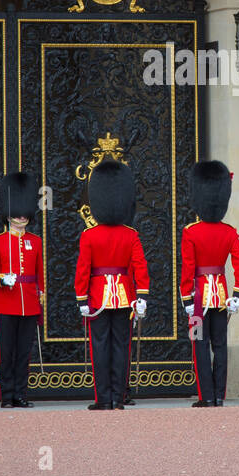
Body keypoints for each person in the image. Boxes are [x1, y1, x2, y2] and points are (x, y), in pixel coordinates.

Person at [75, 160, 148, 410]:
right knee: (121, 348)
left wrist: (82, 299)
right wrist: (142, 296)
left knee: (100, 348)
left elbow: (83, 270)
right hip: (124, 296)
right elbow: (140, 267)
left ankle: (103, 399)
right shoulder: (131, 235)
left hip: (97, 298)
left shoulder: (89, 235)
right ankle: (119, 398)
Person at [181, 160, 239, 407]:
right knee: (220, 345)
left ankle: (206, 396)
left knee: (200, 344)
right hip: (220, 296)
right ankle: (219, 395)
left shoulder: (191, 231)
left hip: (198, 299)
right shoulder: (229, 232)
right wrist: (238, 295)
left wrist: (187, 298)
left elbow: (188, 267)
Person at [0, 171, 44, 408]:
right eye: (17, 213)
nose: (21, 217)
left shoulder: (36, 241)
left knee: (23, 354)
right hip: (6, 304)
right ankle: (6, 395)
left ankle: (20, 394)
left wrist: (40, 297)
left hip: (29, 303)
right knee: (7, 353)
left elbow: (39, 275)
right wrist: (3, 280)